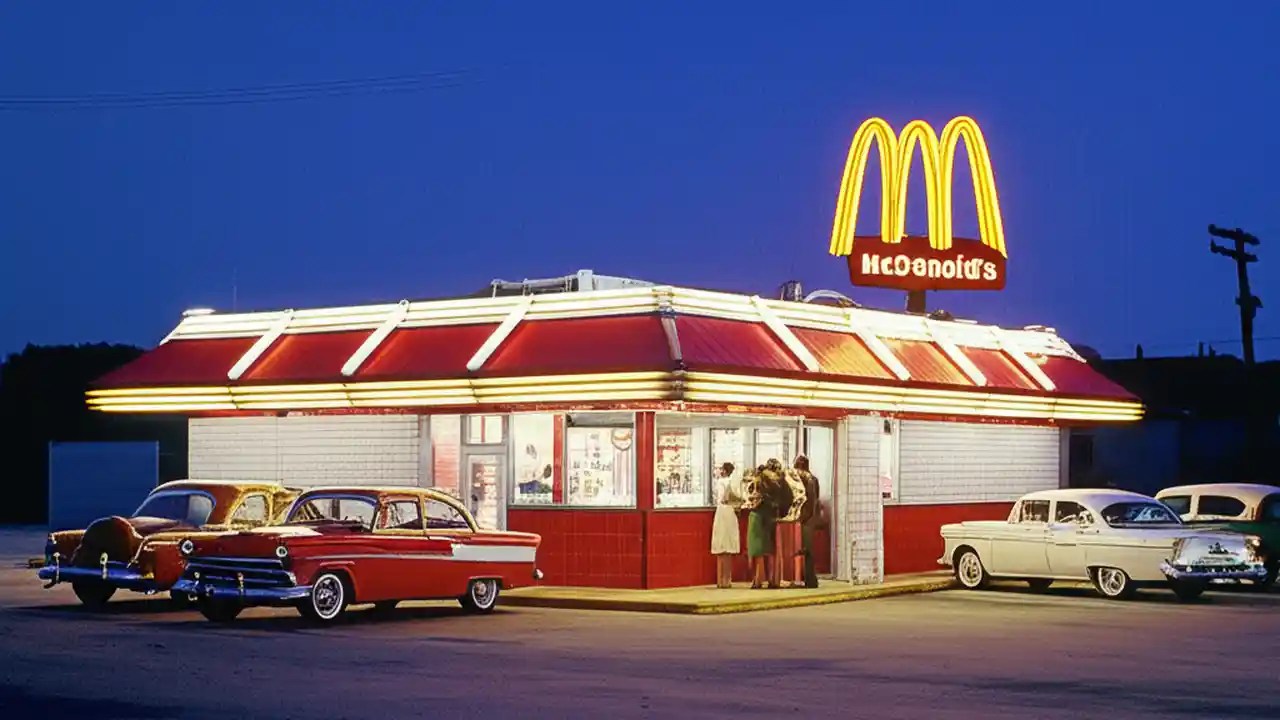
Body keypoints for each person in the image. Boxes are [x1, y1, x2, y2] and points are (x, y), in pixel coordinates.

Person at [710, 462, 741, 588]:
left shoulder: (721, 482)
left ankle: (720, 580)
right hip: (731, 512)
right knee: (728, 548)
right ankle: (728, 580)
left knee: (720, 546)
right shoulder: (735, 482)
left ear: (724, 470)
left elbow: (721, 498)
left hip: (722, 511)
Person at [794, 455, 821, 588]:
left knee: (806, 549)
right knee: (807, 549)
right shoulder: (813, 479)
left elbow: (809, 501)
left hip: (806, 518)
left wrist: (802, 517)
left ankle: (809, 579)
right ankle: (808, 578)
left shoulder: (805, 479)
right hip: (810, 517)